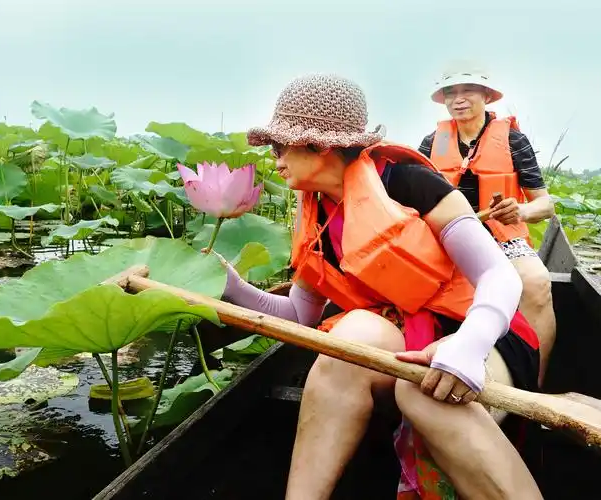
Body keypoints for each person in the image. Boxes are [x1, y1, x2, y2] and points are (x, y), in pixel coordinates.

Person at [216, 73, 543, 499]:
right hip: (404, 339)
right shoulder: (315, 212)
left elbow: (498, 275)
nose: (274, 156)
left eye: (281, 145)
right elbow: (298, 316)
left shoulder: (408, 182)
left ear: (322, 145)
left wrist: (469, 343)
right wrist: (230, 285)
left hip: (482, 336)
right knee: (341, 353)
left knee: (423, 390)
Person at [418, 63, 556, 386]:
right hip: (448, 239)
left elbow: (545, 205)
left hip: (502, 238)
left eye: (468, 91)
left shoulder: (513, 139)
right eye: (451, 93)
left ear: (486, 96)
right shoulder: (431, 143)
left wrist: (519, 212)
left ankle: (535, 385)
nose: (459, 99)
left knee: (537, 282)